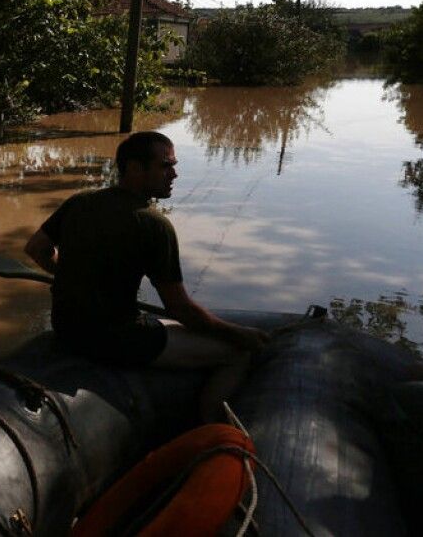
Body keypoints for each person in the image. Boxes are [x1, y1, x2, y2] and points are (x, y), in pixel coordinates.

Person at [23, 131, 268, 421]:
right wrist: (241, 335)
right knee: (236, 355)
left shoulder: (79, 202)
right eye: (165, 166)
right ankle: (208, 431)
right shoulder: (154, 225)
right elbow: (180, 309)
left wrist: (65, 273)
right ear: (135, 169)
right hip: (117, 339)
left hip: (65, 329)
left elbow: (37, 248)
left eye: (174, 165)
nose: (174, 174)